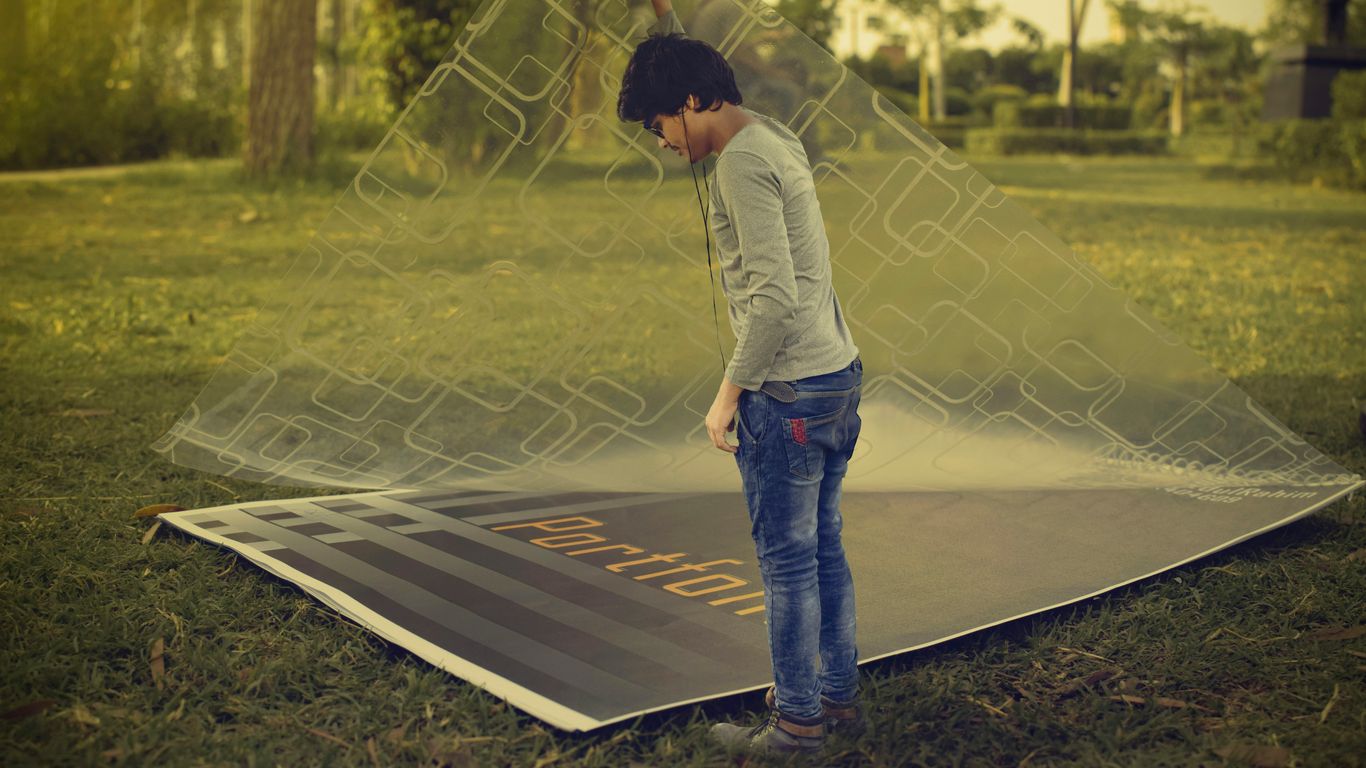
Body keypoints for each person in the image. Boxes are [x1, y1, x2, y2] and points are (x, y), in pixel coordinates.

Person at [616, 0, 867, 756]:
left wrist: (728, 396)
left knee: (787, 563)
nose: (663, 142)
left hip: (786, 394)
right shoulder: (772, 135)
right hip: (836, 377)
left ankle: (797, 726)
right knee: (823, 548)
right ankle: (835, 697)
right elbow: (695, 70)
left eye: (660, 124)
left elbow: (773, 299)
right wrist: (665, 24)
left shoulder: (740, 166)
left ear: (692, 102)